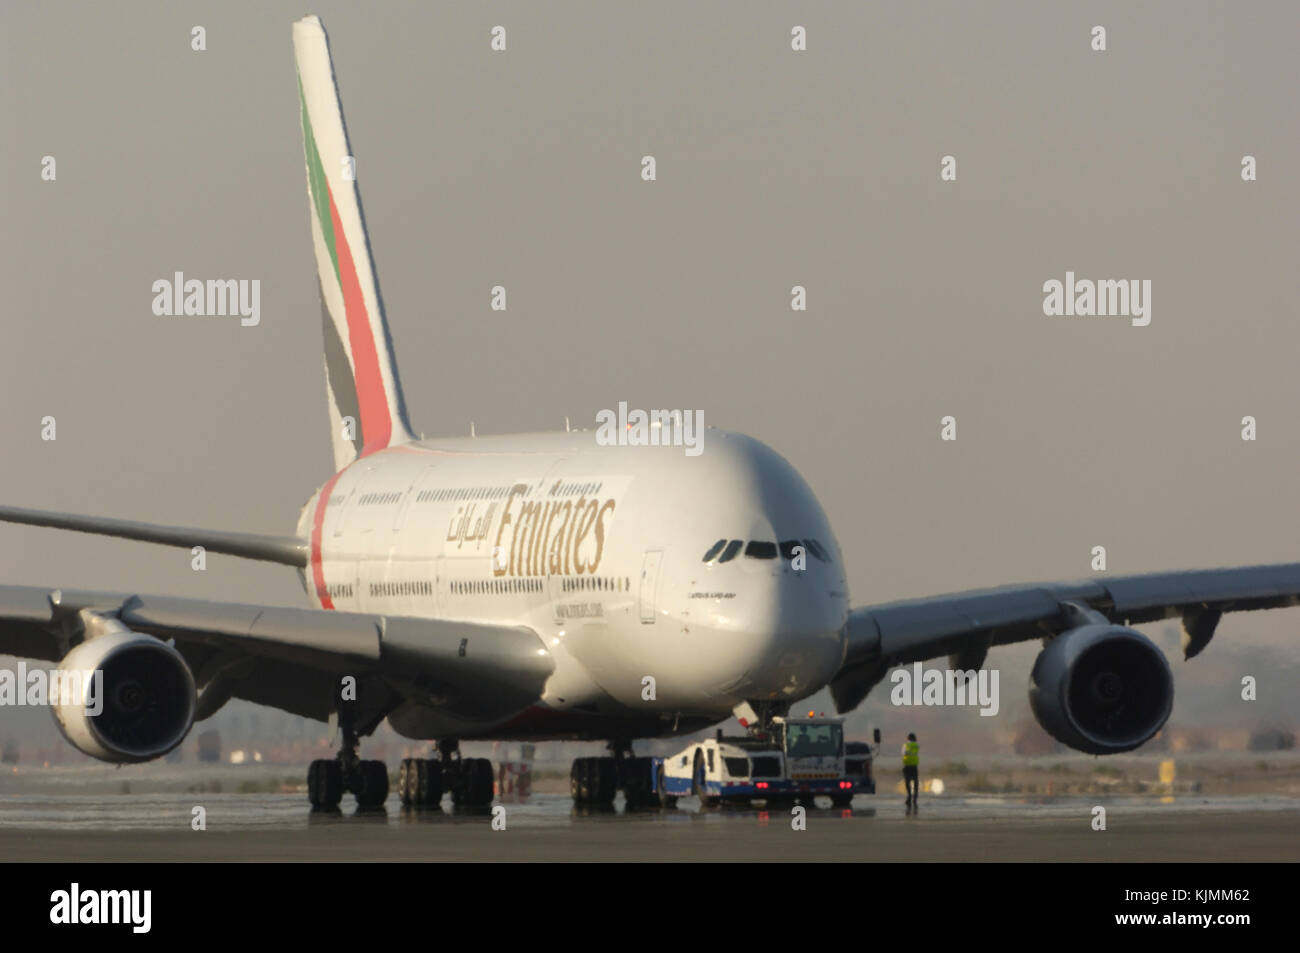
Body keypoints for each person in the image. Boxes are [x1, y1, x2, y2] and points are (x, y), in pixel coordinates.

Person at [902, 732, 919, 808]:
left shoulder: (906, 745)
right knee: (915, 782)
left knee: (907, 782)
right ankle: (915, 797)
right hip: (914, 766)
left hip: (907, 766)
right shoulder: (916, 745)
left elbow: (903, 753)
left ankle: (909, 796)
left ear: (908, 738)